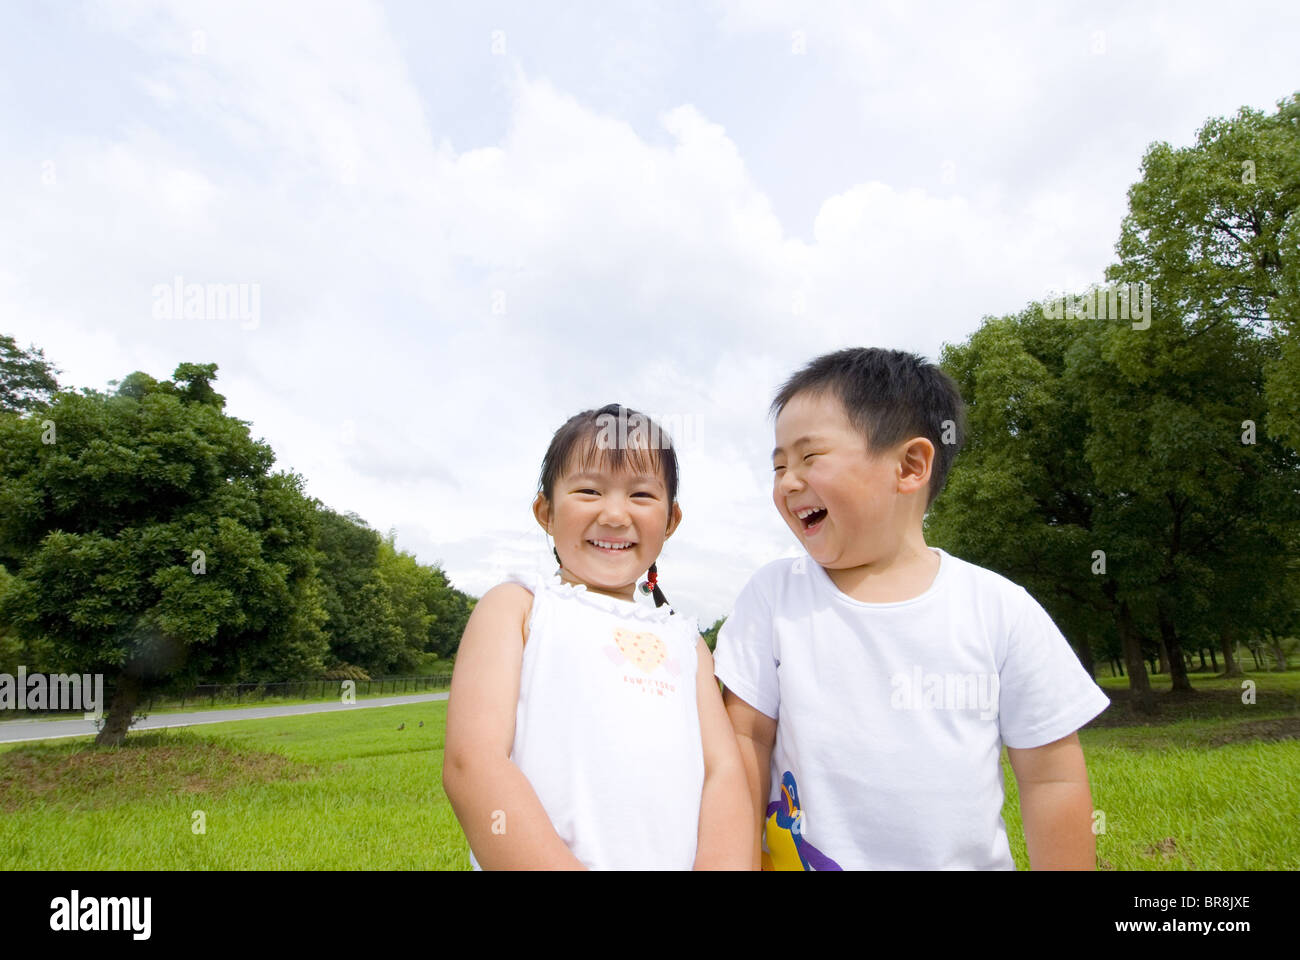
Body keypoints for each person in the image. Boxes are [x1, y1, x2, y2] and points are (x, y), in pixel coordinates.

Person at [714, 348, 1111, 870]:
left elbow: (1051, 777)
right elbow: (745, 739)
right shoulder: (773, 597)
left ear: (910, 466)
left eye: (810, 458)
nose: (788, 481)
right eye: (779, 464)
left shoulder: (998, 609)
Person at [443, 403, 752, 869]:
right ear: (545, 511)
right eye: (589, 490)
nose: (614, 514)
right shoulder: (519, 607)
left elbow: (723, 773)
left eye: (642, 496)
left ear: (671, 521)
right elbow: (474, 763)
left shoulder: (686, 641)